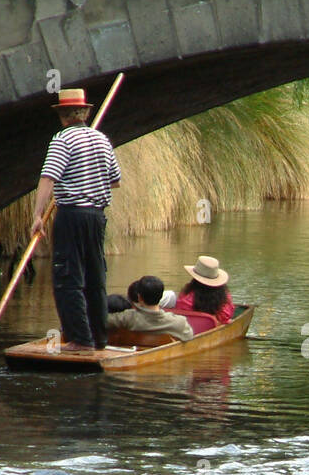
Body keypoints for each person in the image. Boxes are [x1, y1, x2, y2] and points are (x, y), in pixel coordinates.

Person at [30, 88, 121, 352]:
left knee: (68, 277)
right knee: (95, 277)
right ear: (85, 113)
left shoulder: (62, 139)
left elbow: (49, 177)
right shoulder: (102, 139)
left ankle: (80, 339)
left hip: (71, 215)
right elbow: (115, 181)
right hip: (96, 216)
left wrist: (38, 215)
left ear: (62, 116)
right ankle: (98, 338)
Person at [107, 276, 193, 341]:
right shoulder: (180, 323)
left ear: (139, 297)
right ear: (161, 296)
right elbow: (189, 338)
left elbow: (102, 320)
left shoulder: (128, 318)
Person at [175, 255, 234, 325]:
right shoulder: (225, 299)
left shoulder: (185, 297)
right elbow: (226, 316)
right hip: (213, 328)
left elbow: (180, 309)